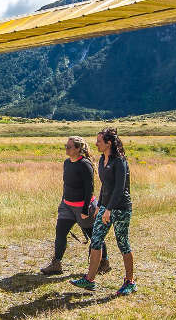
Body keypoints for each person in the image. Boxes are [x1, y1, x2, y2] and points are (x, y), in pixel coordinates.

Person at [70, 127, 136, 296]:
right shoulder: (101, 160)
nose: (96, 143)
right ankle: (90, 279)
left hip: (121, 208)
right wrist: (100, 205)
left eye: (99, 141)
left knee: (123, 243)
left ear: (108, 143)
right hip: (105, 207)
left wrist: (110, 209)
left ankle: (130, 282)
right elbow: (106, 186)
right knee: (96, 240)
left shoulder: (119, 161)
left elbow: (119, 188)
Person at [40, 136, 98, 275]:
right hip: (67, 205)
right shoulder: (67, 163)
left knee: (94, 236)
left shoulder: (85, 164)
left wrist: (85, 209)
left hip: (82, 207)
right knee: (60, 233)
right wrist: (63, 202)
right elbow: (66, 185)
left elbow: (89, 188)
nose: (66, 148)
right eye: (66, 145)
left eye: (69, 146)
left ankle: (103, 262)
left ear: (78, 149)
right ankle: (56, 264)